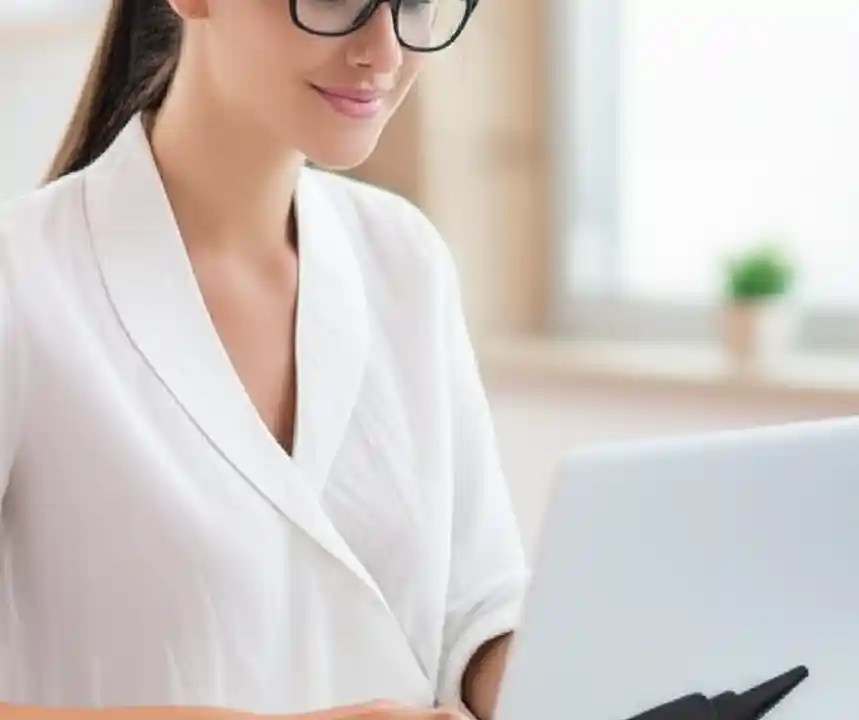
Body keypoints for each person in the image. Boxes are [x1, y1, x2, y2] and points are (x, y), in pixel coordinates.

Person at [0, 1, 528, 718]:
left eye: (416, 4)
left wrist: (556, 679)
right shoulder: (23, 281)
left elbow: (479, 606)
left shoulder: (406, 259)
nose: (385, 52)